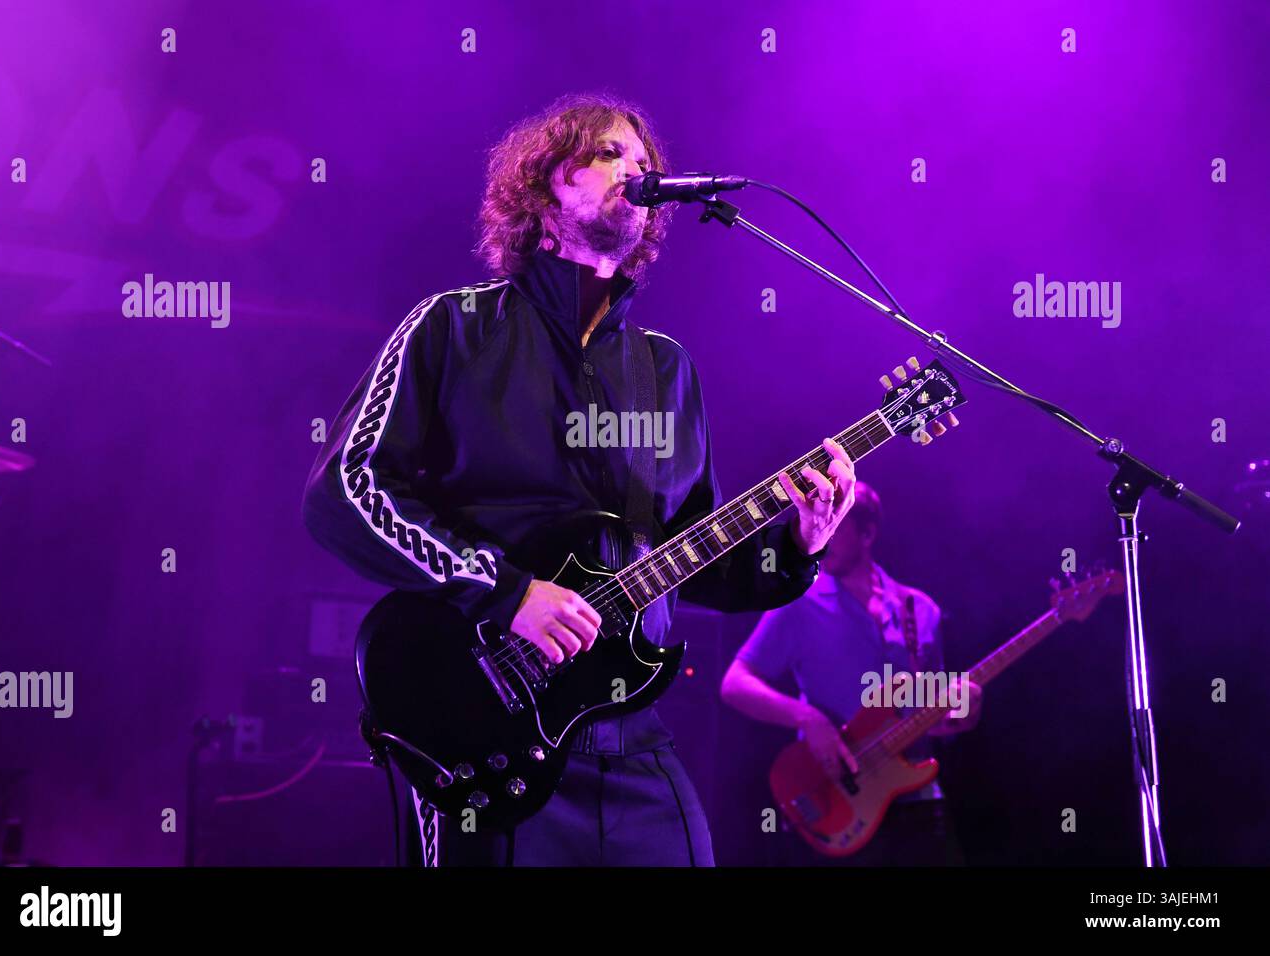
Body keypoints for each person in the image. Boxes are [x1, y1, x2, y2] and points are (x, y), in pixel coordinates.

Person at [301, 93, 857, 866]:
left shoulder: (665, 369)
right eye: (607, 153)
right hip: (487, 732)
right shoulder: (452, 328)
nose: (636, 169)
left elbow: (701, 560)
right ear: (544, 186)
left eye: (644, 160)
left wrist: (797, 547)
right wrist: (508, 593)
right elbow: (344, 491)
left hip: (634, 744)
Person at [721, 481, 978, 865]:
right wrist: (807, 717)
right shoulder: (797, 603)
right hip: (840, 798)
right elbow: (735, 683)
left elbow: (931, 716)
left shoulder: (921, 608)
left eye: (835, 526)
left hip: (919, 803)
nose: (823, 537)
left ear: (867, 533)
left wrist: (960, 715)